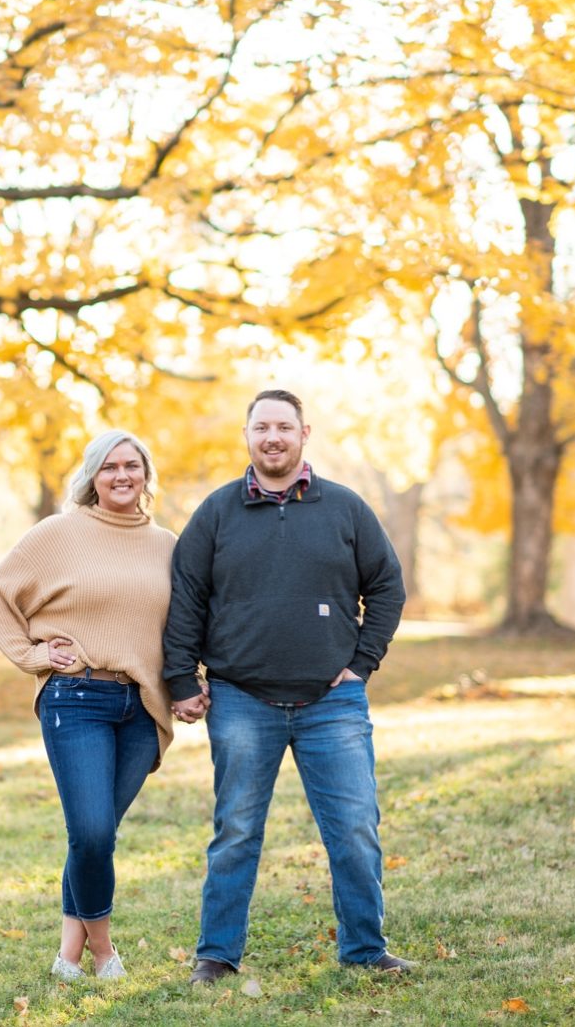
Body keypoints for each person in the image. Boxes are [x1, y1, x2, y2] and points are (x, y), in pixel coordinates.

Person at [163, 388, 411, 983]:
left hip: (334, 702)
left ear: (305, 434)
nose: (272, 437)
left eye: (283, 427)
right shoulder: (217, 512)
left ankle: (364, 950)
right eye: (261, 428)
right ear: (246, 437)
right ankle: (217, 956)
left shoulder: (346, 508)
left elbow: (387, 588)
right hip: (241, 699)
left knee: (354, 829)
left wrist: (363, 662)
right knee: (237, 831)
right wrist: (180, 677)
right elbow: (186, 600)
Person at [0, 430, 178, 981]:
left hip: (140, 706)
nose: (121, 476)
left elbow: (182, 626)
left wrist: (188, 682)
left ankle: (67, 954)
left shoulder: (165, 545)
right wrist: (31, 652)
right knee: (90, 831)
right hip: (76, 696)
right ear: (91, 476)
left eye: (131, 466)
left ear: (145, 474)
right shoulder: (58, 533)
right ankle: (105, 951)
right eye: (108, 466)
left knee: (98, 833)